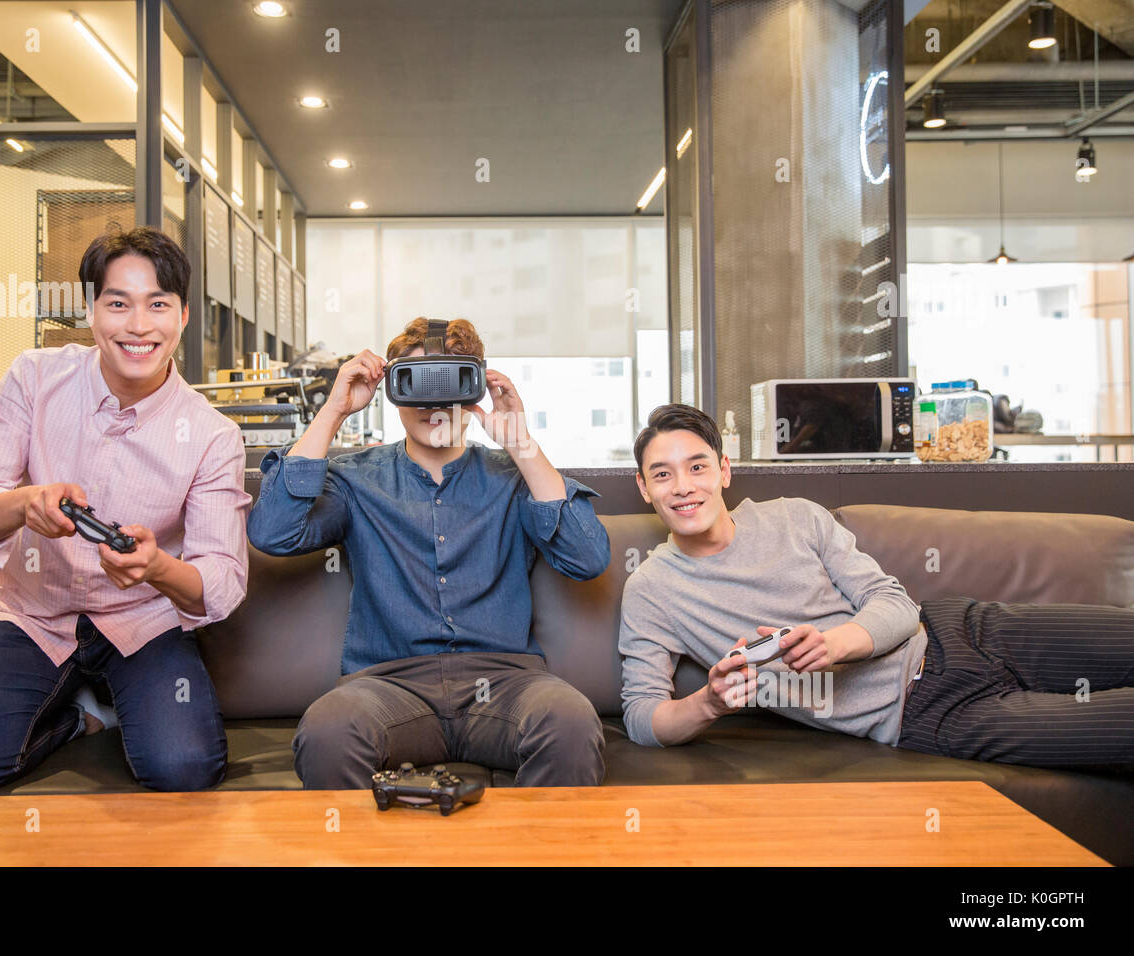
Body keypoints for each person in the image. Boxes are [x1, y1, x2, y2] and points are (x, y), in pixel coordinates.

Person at [618, 403, 1134, 770]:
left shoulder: (797, 518)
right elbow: (642, 716)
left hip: (965, 630)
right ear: (644, 487)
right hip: (928, 711)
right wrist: (709, 704)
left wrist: (833, 645)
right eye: (662, 475)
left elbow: (896, 604)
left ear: (724, 471)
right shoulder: (652, 591)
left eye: (697, 467)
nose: (683, 487)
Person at [0, 227, 251, 795]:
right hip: (34, 611)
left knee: (183, 768)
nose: (138, 326)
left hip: (144, 619)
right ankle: (79, 719)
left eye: (158, 305)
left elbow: (221, 579)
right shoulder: (33, 378)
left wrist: (156, 568)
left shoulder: (212, 435)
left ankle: (103, 702)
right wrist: (24, 504)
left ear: (183, 316)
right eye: (118, 303)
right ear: (91, 310)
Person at [248, 317, 611, 788]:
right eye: (417, 385)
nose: (434, 405)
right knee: (329, 731)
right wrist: (333, 411)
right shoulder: (355, 479)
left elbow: (588, 559)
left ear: (476, 385)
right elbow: (272, 533)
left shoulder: (516, 477)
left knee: (570, 723)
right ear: (393, 390)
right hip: (388, 686)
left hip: (505, 683)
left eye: (450, 384)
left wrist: (521, 444)